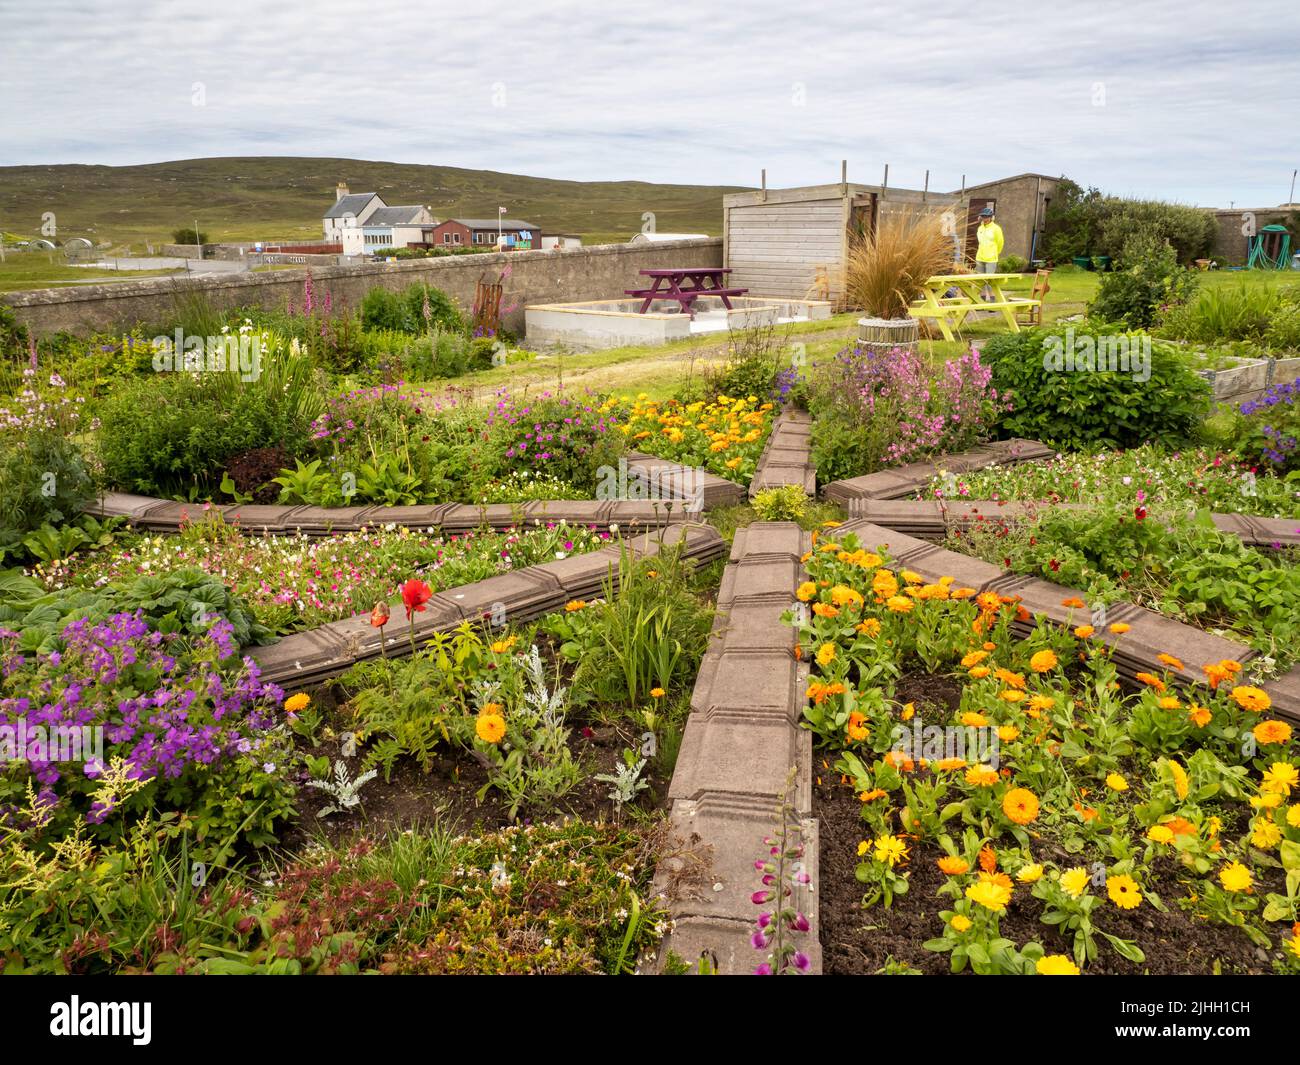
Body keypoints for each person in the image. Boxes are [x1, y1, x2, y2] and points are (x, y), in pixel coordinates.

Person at [974, 206, 1004, 301]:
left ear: (991, 217)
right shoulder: (980, 228)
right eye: (983, 216)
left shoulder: (996, 229)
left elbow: (1000, 243)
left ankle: (992, 303)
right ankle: (982, 303)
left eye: (987, 217)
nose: (985, 218)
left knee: (989, 282)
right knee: (981, 281)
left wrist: (995, 253)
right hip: (980, 258)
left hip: (991, 259)